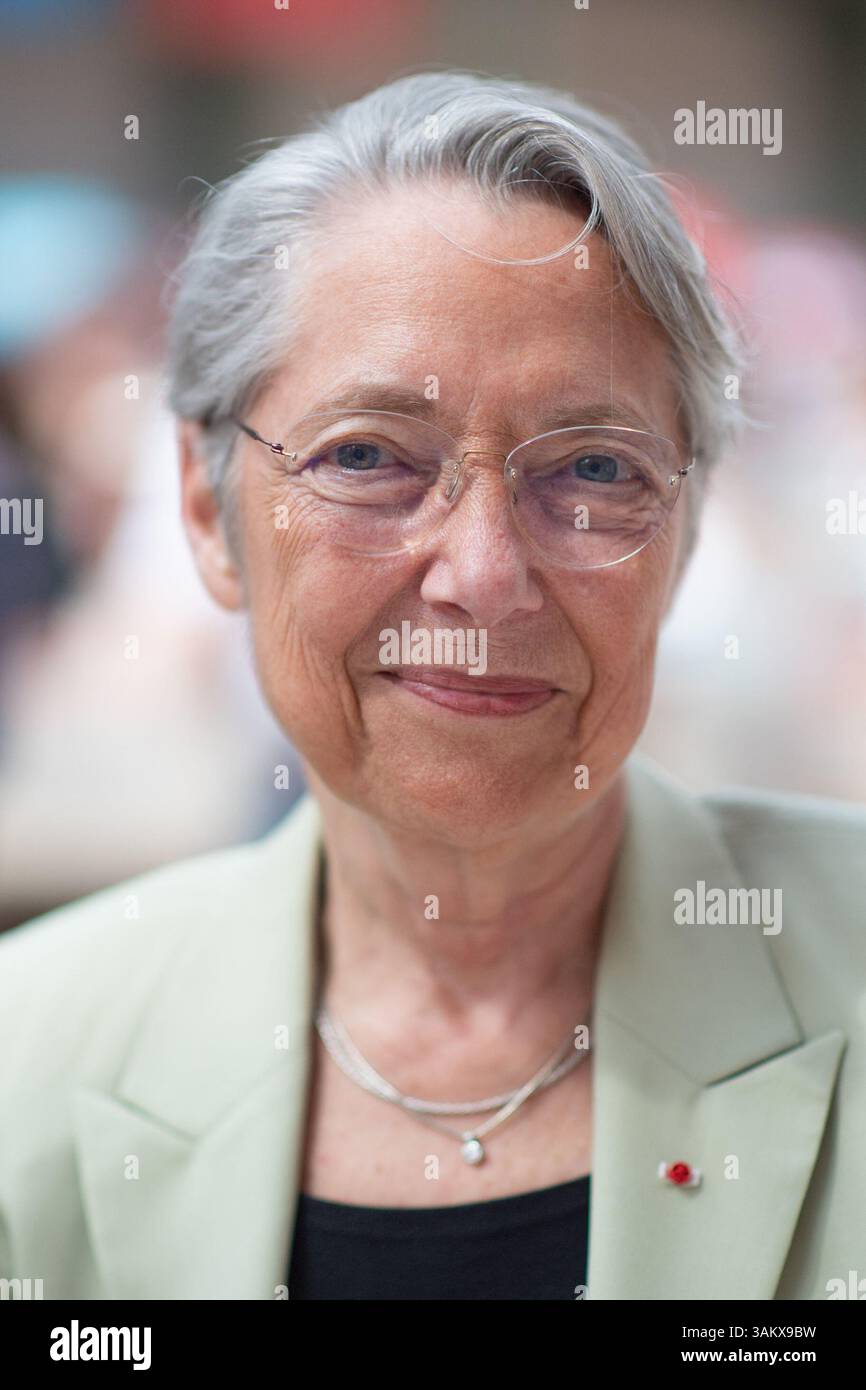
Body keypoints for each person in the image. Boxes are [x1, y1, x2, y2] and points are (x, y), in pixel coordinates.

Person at [1, 70, 863, 1301]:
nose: (483, 575)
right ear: (206, 514)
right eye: (366, 457)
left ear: (684, 534)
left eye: (593, 468)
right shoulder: (27, 1058)